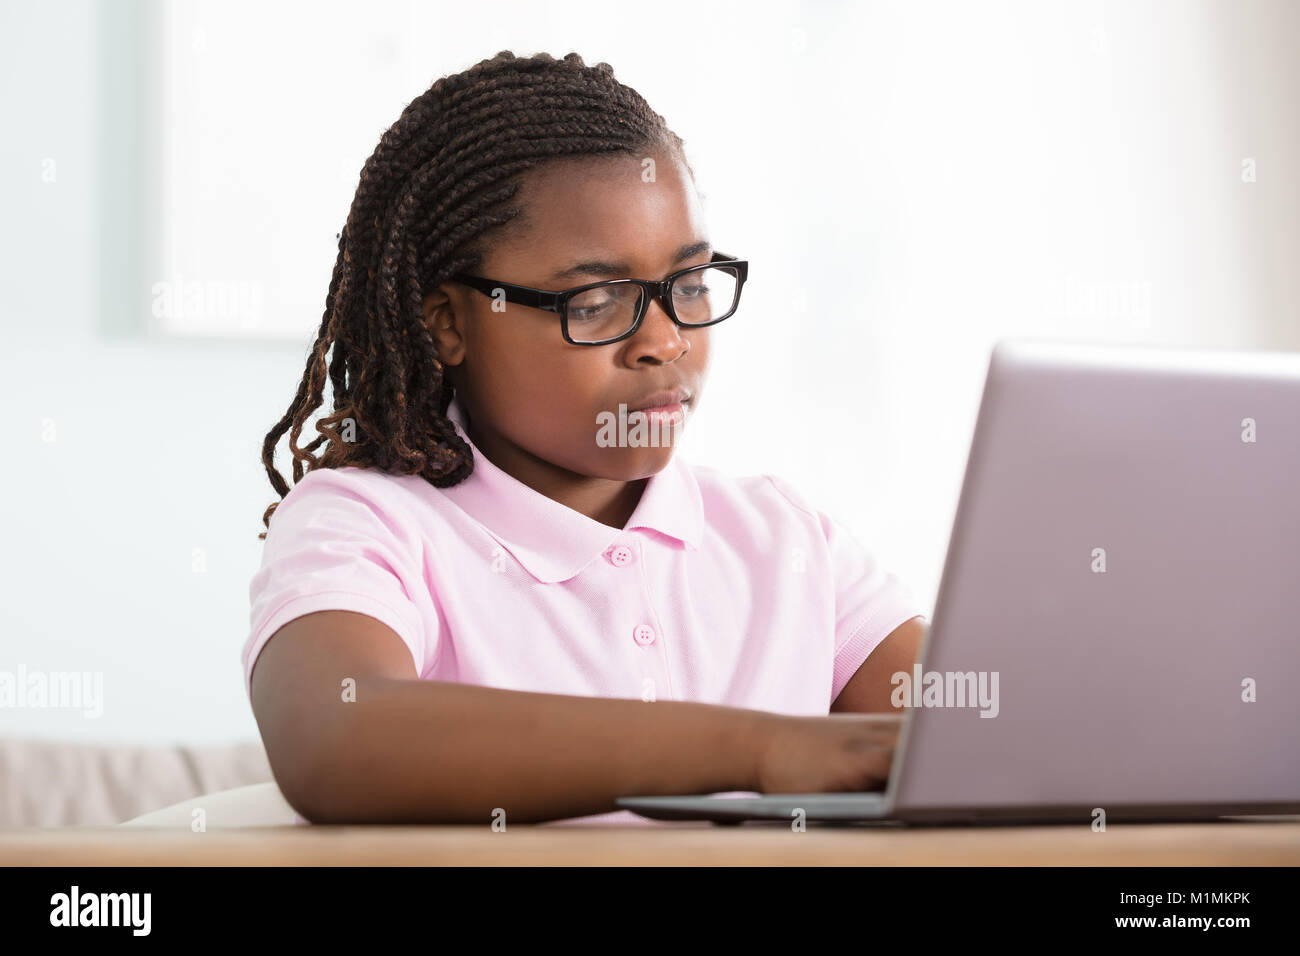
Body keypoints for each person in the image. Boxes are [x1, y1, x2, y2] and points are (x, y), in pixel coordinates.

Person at [245, 50, 929, 825]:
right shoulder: (371, 526)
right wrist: (761, 751)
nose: (665, 341)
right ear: (449, 322)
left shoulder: (784, 539)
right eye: (599, 300)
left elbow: (984, 731)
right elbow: (337, 739)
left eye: (691, 285)